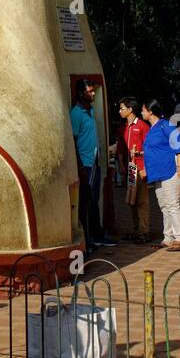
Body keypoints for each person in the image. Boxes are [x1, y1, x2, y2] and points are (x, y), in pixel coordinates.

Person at [70, 79, 116, 253]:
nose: (93, 93)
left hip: (94, 163)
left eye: (93, 91)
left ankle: (97, 236)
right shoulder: (76, 113)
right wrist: (80, 166)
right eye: (90, 91)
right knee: (86, 203)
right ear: (81, 93)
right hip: (86, 164)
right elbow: (73, 140)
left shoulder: (89, 111)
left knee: (94, 201)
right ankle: (87, 239)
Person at [141, 99, 180, 249]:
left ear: (150, 111)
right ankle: (168, 238)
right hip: (158, 173)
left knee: (172, 204)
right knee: (164, 206)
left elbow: (178, 145)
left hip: (170, 171)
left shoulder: (166, 125)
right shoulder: (151, 129)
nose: (142, 112)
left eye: (143, 110)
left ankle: (179, 238)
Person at [118, 96, 150, 243]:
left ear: (130, 109)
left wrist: (145, 168)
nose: (120, 111)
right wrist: (121, 164)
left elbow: (150, 149)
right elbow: (120, 149)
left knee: (142, 199)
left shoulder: (143, 126)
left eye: (122, 108)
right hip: (129, 168)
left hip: (140, 166)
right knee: (132, 200)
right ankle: (137, 230)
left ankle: (144, 231)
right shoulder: (123, 127)